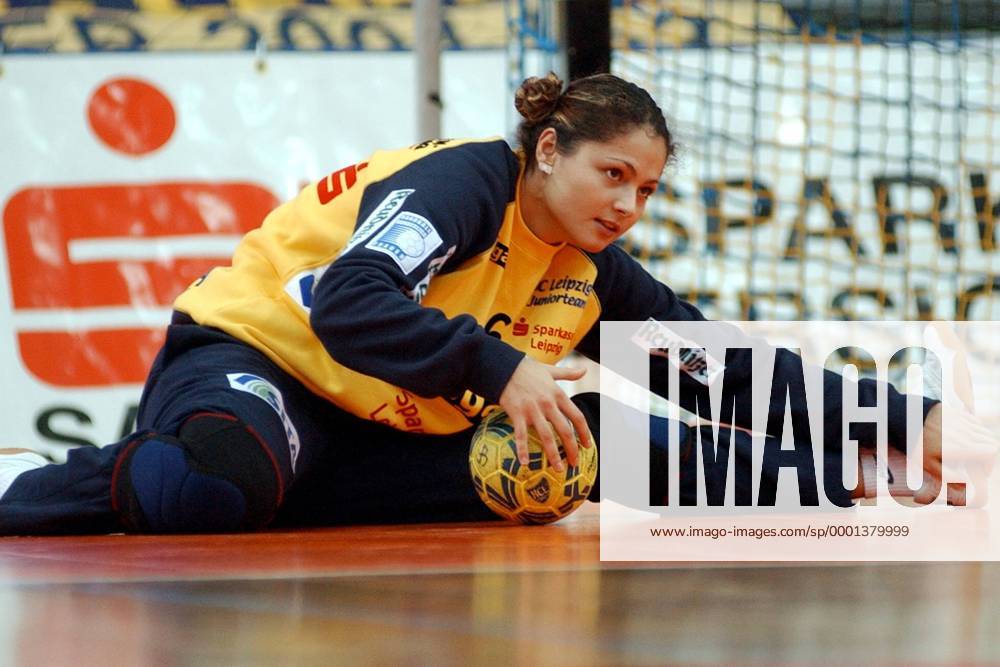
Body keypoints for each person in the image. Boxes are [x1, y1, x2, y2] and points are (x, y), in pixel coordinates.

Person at [0, 73, 954, 535]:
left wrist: (898, 431)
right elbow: (351, 302)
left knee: (593, 449)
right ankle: (33, 477)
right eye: (611, 173)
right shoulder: (463, 187)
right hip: (262, 365)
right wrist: (500, 365)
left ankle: (859, 476)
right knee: (208, 484)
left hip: (390, 423)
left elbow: (718, 369)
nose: (627, 203)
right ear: (547, 153)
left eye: (647, 189)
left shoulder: (594, 269)